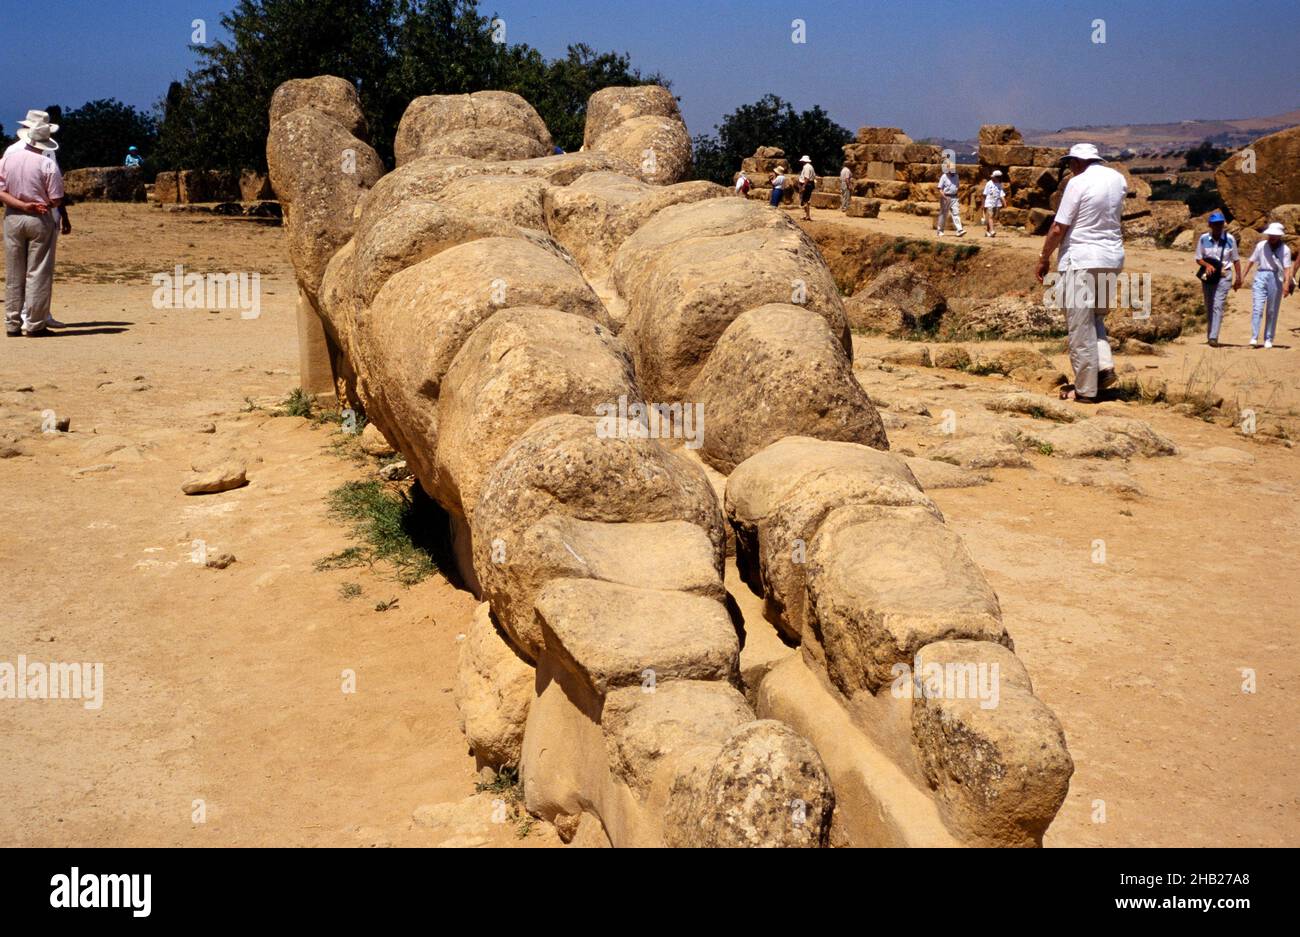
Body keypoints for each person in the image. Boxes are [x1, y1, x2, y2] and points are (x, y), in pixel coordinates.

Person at [1034, 143, 1127, 403]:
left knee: (1079, 326)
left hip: (1082, 258)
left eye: (1070, 163)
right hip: (1112, 257)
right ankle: (1104, 368)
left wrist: (1044, 258)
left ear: (1077, 162)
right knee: (1096, 317)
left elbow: (1057, 227)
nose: (1070, 168)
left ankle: (1085, 390)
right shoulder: (1118, 179)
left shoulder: (1078, 182)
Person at [0, 118, 65, 337]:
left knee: (14, 271)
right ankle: (35, 323)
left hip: (13, 217)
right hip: (39, 217)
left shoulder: (7, 160)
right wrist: (38, 204)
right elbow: (56, 198)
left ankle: (12, 322)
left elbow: (0, 190)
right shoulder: (47, 163)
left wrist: (21, 204)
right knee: (37, 271)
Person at [1237, 222, 1293, 348]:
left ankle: (1269, 338)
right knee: (1257, 308)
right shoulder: (1261, 245)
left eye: (1275, 235)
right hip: (1261, 275)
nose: (1272, 237)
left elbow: (1287, 268)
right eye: (1271, 234)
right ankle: (1254, 337)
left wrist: (1286, 284)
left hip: (1275, 278)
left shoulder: (1285, 249)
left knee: (1272, 310)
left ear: (1280, 236)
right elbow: (1251, 261)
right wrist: (1242, 277)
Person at [1195, 210, 1240, 347]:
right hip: (1209, 277)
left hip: (1224, 275)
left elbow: (1236, 259)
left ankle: (1214, 337)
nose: (1218, 227)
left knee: (1218, 305)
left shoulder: (1230, 239)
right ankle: (1210, 335)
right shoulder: (1203, 239)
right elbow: (1198, 258)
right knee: (1209, 305)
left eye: (1220, 224)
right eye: (1215, 224)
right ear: (1210, 225)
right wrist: (1207, 265)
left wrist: (1239, 277)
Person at [936, 161, 965, 236]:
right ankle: (940, 230)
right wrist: (944, 197)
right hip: (946, 197)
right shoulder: (944, 176)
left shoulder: (956, 176)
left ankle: (959, 230)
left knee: (956, 213)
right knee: (943, 214)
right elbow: (940, 188)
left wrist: (956, 193)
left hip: (954, 197)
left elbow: (957, 185)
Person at [981, 170, 1006, 237]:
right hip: (989, 203)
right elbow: (984, 194)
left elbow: (1001, 194)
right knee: (991, 216)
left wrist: (1004, 202)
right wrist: (983, 204)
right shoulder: (989, 183)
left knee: (992, 217)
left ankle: (987, 232)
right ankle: (992, 231)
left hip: (996, 203)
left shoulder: (999, 184)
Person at [797, 155, 816, 220]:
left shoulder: (806, 167)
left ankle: (807, 215)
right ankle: (807, 215)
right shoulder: (810, 166)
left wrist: (803, 186)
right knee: (805, 200)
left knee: (805, 200)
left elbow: (806, 177)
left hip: (807, 184)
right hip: (809, 184)